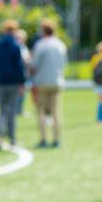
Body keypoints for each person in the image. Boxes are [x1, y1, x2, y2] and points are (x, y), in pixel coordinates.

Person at [28, 20, 67, 148]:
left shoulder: (40, 45)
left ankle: (43, 139)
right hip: (57, 81)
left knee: (41, 112)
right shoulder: (60, 45)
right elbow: (64, 64)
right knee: (56, 112)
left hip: (42, 82)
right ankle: (56, 139)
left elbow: (34, 64)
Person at [0, 20, 25, 148]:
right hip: (13, 82)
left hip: (0, 82)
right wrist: (22, 82)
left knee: (2, 110)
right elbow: (19, 66)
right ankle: (12, 139)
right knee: (12, 111)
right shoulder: (16, 46)